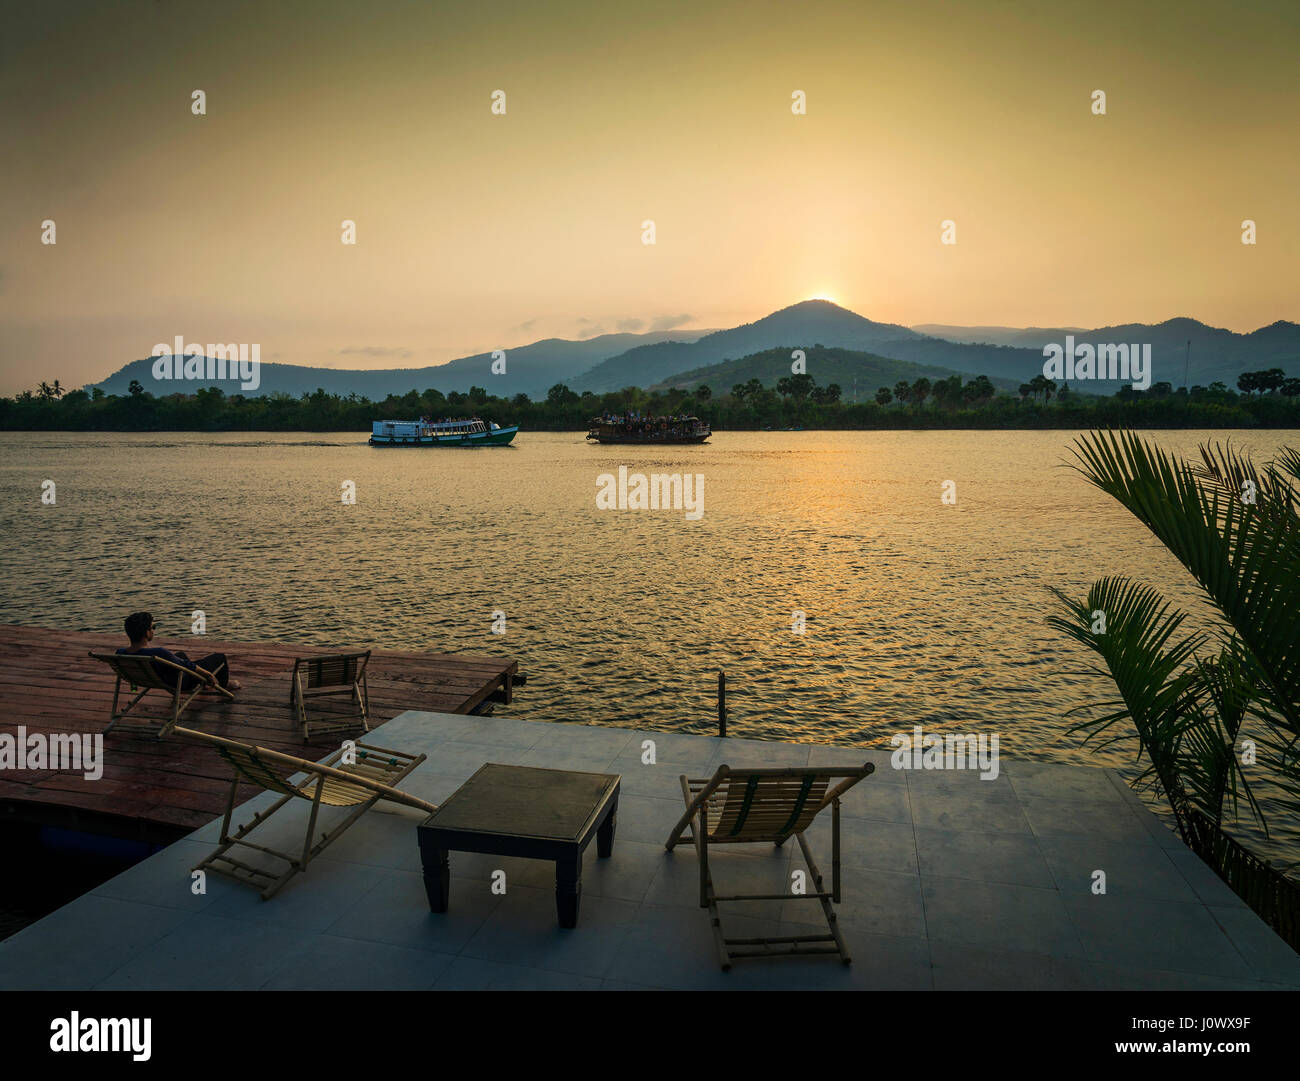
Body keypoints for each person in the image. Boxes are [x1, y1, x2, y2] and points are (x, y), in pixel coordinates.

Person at [117, 611, 241, 693]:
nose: (153, 631)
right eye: (152, 628)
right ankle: (224, 686)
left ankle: (202, 682)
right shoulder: (158, 653)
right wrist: (208, 675)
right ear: (146, 633)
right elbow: (188, 666)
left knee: (180, 656)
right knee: (219, 657)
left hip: (159, 680)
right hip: (179, 683)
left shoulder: (120, 653)